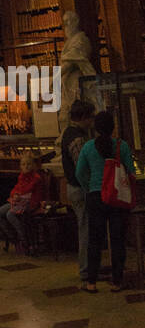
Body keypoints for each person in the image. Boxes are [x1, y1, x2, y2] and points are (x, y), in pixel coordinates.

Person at [75, 109, 135, 293]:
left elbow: (79, 173)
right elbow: (131, 172)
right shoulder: (121, 146)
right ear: (113, 127)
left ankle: (91, 282)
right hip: (116, 197)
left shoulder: (88, 147)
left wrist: (89, 187)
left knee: (95, 240)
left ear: (96, 127)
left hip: (96, 196)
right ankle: (117, 281)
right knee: (117, 240)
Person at [61, 98, 95, 286]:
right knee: (86, 229)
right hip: (80, 189)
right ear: (82, 117)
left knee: (85, 228)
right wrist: (89, 187)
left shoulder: (68, 132)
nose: (92, 121)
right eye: (90, 117)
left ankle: (87, 268)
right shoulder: (77, 138)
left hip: (74, 187)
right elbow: (82, 167)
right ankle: (85, 269)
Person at [0, 152, 44, 255]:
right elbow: (16, 189)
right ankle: (13, 237)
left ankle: (24, 239)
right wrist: (15, 194)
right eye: (23, 164)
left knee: (10, 214)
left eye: (28, 164)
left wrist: (18, 194)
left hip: (31, 203)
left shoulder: (36, 178)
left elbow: (27, 189)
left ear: (33, 165)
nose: (26, 166)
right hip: (19, 201)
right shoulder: (21, 176)